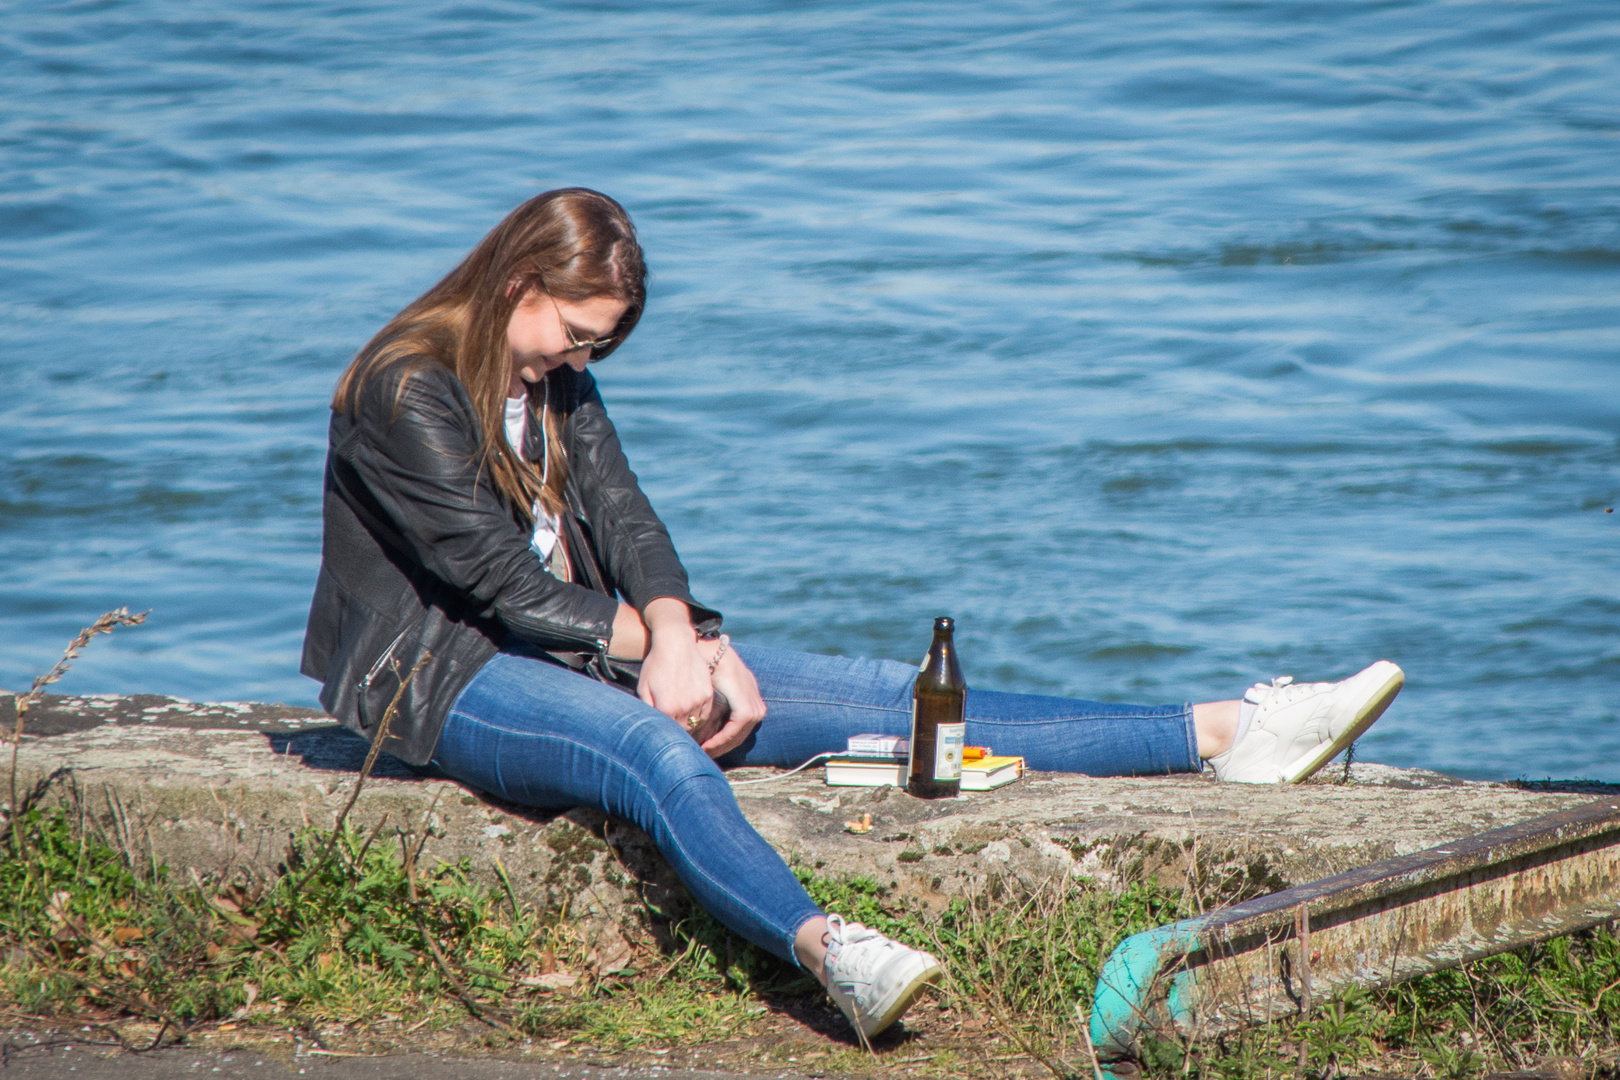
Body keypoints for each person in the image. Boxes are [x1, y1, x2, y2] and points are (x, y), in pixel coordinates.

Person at [301, 188, 1404, 1039]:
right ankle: (831, 951)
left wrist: (689, 633)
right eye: (576, 335)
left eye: (599, 344)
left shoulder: (554, 383)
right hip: (447, 680)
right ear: (514, 286)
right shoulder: (409, 387)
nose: (583, 360)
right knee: (652, 749)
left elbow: (629, 522)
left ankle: (1225, 733)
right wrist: (671, 658)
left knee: (888, 696)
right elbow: (503, 588)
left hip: (582, 649)